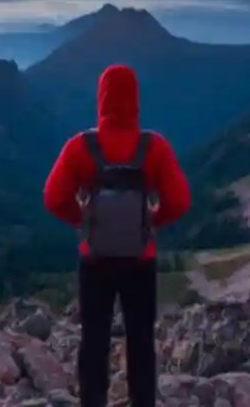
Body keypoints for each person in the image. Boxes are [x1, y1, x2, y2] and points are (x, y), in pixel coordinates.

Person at [43, 64, 190, 407]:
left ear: (101, 98)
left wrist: (84, 220)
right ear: (135, 100)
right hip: (140, 258)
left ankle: (93, 401)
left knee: (94, 338)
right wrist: (152, 221)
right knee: (140, 339)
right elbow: (180, 200)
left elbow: (52, 197)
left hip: (94, 258)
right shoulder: (154, 147)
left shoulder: (80, 147)